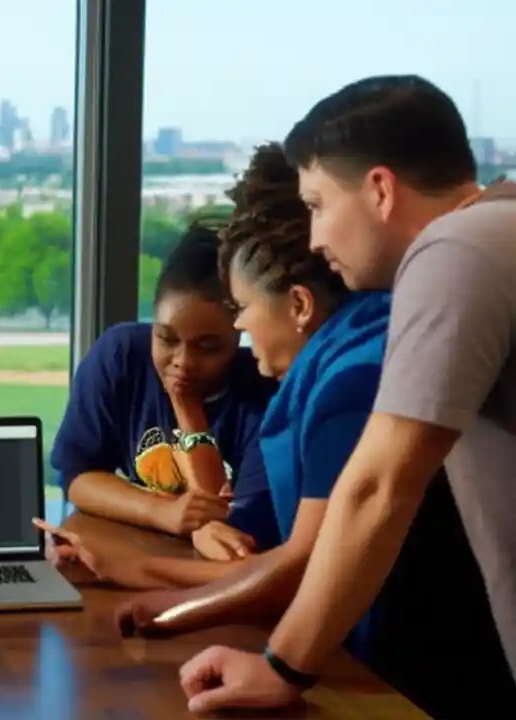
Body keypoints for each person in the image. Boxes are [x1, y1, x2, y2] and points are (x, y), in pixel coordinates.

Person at [44, 143, 512, 718]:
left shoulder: (351, 382)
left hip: (418, 681)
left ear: (298, 305)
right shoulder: (350, 353)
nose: (241, 327)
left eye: (241, 309)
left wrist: (155, 590)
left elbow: (302, 564)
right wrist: (165, 592)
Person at [180, 75, 516, 715]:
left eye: (317, 204)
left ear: (381, 190)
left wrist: (282, 665)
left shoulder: (456, 253)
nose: (313, 239)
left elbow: (380, 486)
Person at [50, 224, 279, 556]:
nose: (183, 362)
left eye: (208, 347)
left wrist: (186, 408)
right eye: (166, 339)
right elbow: (76, 476)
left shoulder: (263, 395)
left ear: (238, 333)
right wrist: (162, 512)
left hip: (212, 571)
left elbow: (223, 523)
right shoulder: (121, 355)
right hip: (133, 553)